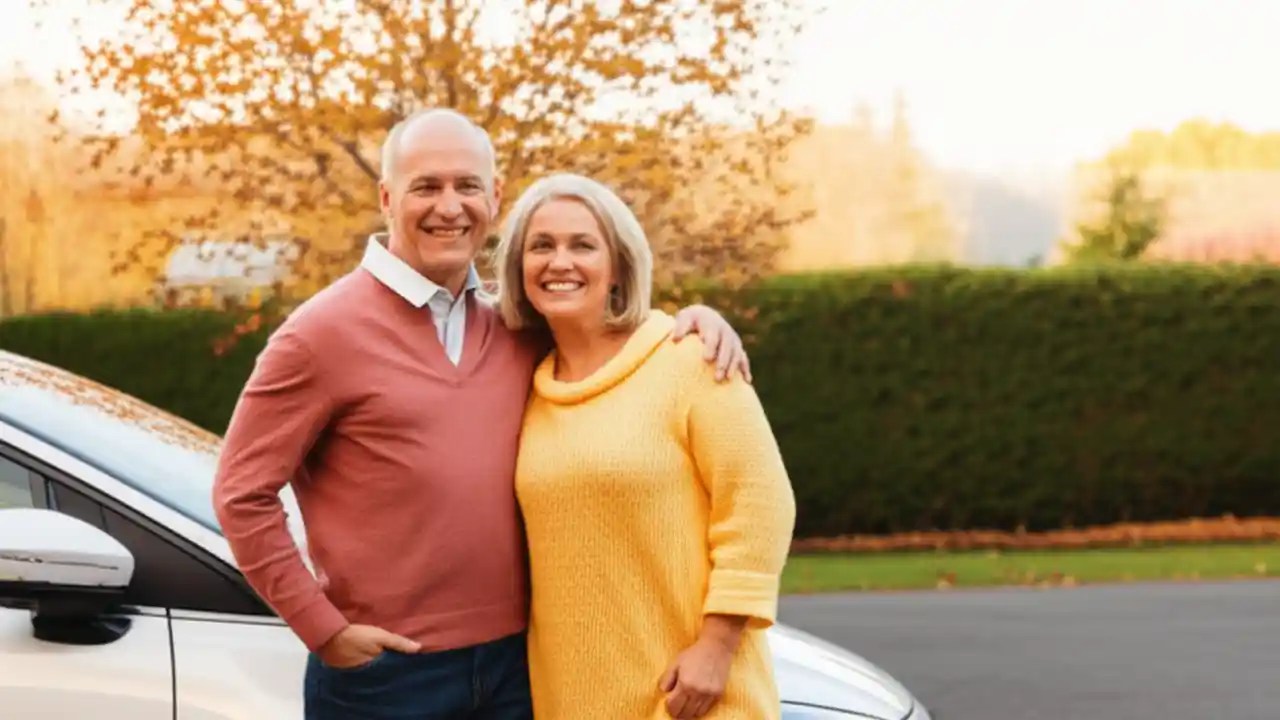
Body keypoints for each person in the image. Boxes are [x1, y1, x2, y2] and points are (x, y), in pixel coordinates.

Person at [211, 109, 751, 720]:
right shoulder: (318, 335)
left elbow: (608, 336)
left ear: (494, 197)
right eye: (426, 186)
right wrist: (322, 628)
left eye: (467, 186)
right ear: (387, 197)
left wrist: (692, 322)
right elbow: (240, 492)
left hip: (518, 669)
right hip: (388, 679)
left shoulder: (517, 329)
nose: (449, 206)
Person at [493, 172, 796, 719]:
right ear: (519, 269)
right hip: (573, 700)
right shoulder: (525, 385)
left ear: (618, 268)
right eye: (541, 246)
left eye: (582, 245)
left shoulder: (688, 359)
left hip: (693, 693)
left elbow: (760, 502)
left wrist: (718, 646)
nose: (559, 262)